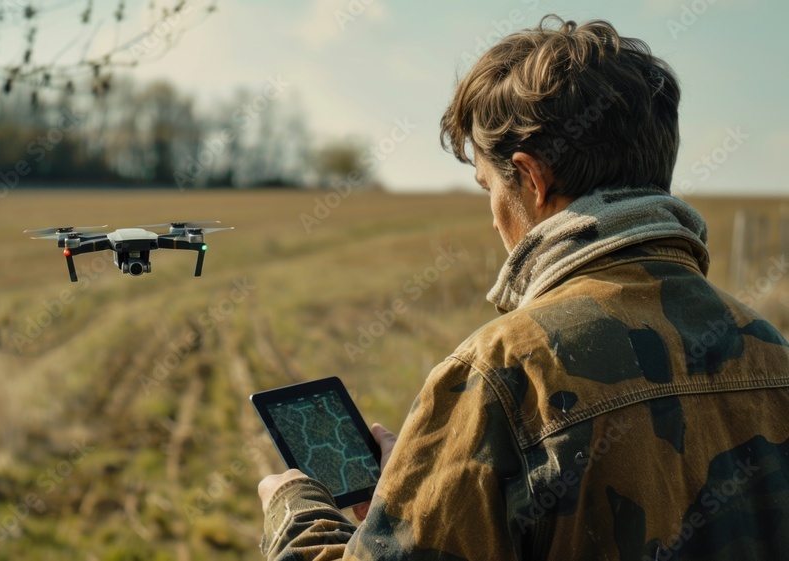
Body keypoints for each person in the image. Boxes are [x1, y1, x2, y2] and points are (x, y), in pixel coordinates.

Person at [257, 14, 789, 560]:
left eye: (487, 186)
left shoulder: (502, 373)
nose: (493, 219)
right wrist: (419, 499)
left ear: (531, 179)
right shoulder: (773, 351)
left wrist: (296, 511)